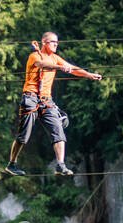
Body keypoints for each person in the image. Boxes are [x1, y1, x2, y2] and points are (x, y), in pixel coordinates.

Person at [6, 31, 102, 178]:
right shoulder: (35, 56)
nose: (56, 45)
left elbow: (73, 68)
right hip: (30, 98)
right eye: (53, 42)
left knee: (58, 130)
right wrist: (59, 68)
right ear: (44, 42)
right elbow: (42, 64)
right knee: (23, 135)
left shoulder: (56, 58)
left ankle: (60, 164)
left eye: (57, 42)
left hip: (46, 101)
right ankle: (12, 164)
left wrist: (89, 75)